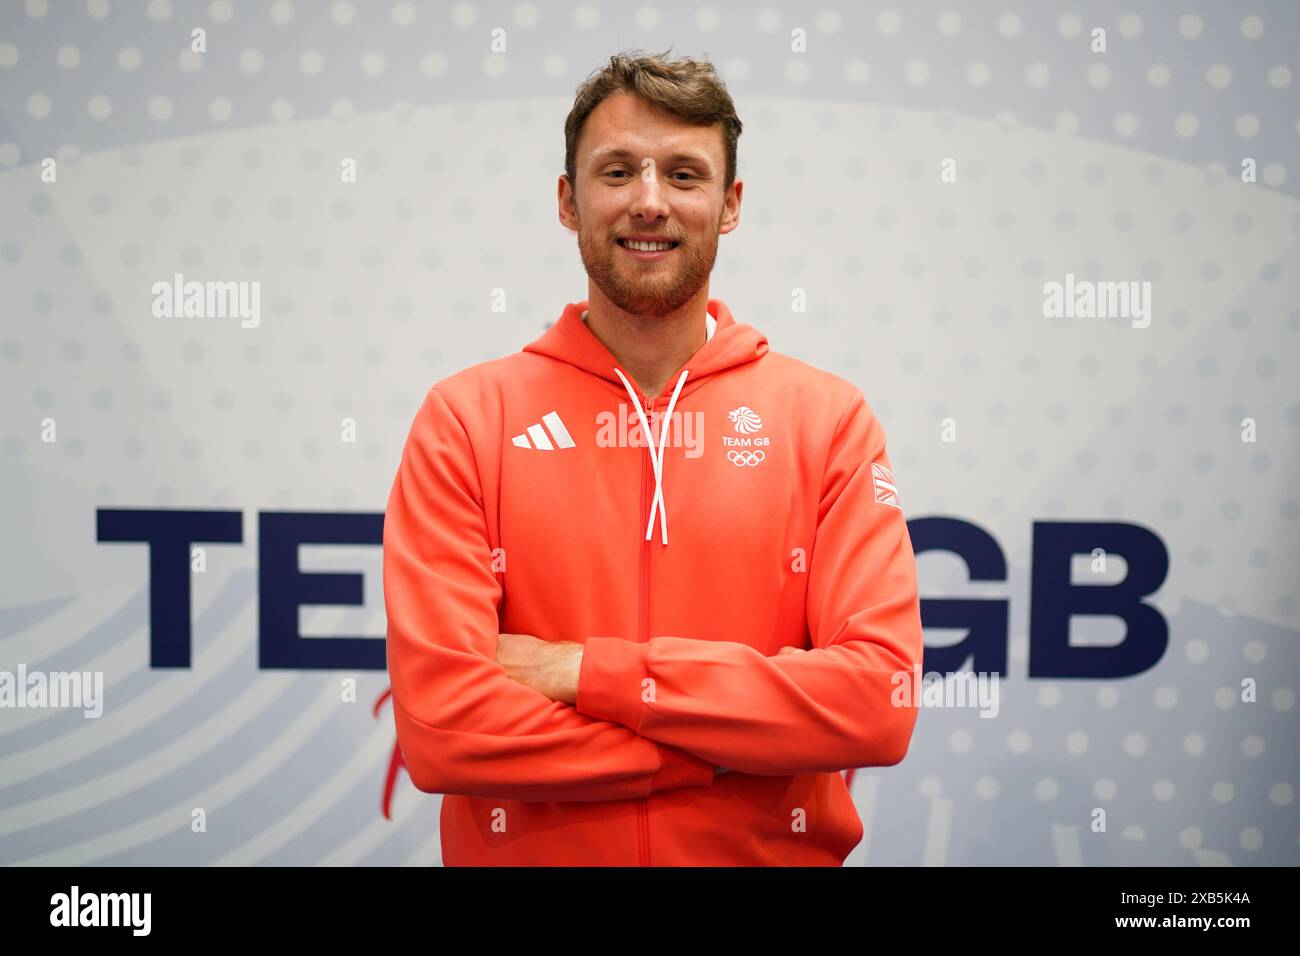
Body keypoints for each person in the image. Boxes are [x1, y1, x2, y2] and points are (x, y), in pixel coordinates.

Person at [382, 48, 923, 866]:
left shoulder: (826, 421)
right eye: (617, 172)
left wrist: (584, 672)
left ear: (730, 204)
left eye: (683, 174)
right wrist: (721, 748)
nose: (648, 202)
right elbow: (443, 729)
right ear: (568, 201)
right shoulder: (468, 419)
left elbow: (876, 702)